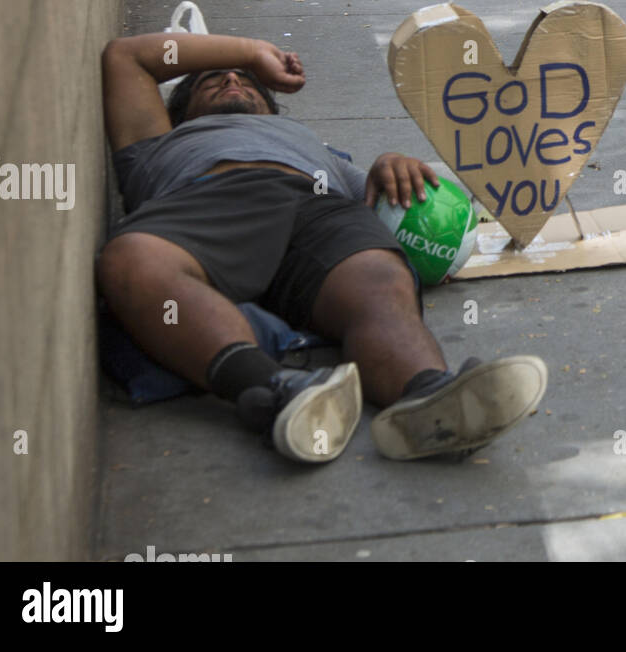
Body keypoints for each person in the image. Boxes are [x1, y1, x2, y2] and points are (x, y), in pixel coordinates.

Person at [97, 30, 548, 464]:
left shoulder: (314, 148)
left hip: (316, 208)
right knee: (131, 260)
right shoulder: (153, 144)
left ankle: (429, 399)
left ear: (272, 111)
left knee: (379, 276)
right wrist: (253, 54)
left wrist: (390, 163)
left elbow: (386, 206)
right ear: (180, 111)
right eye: (212, 78)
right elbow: (126, 56)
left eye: (244, 78)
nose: (232, 78)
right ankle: (274, 391)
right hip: (205, 205)